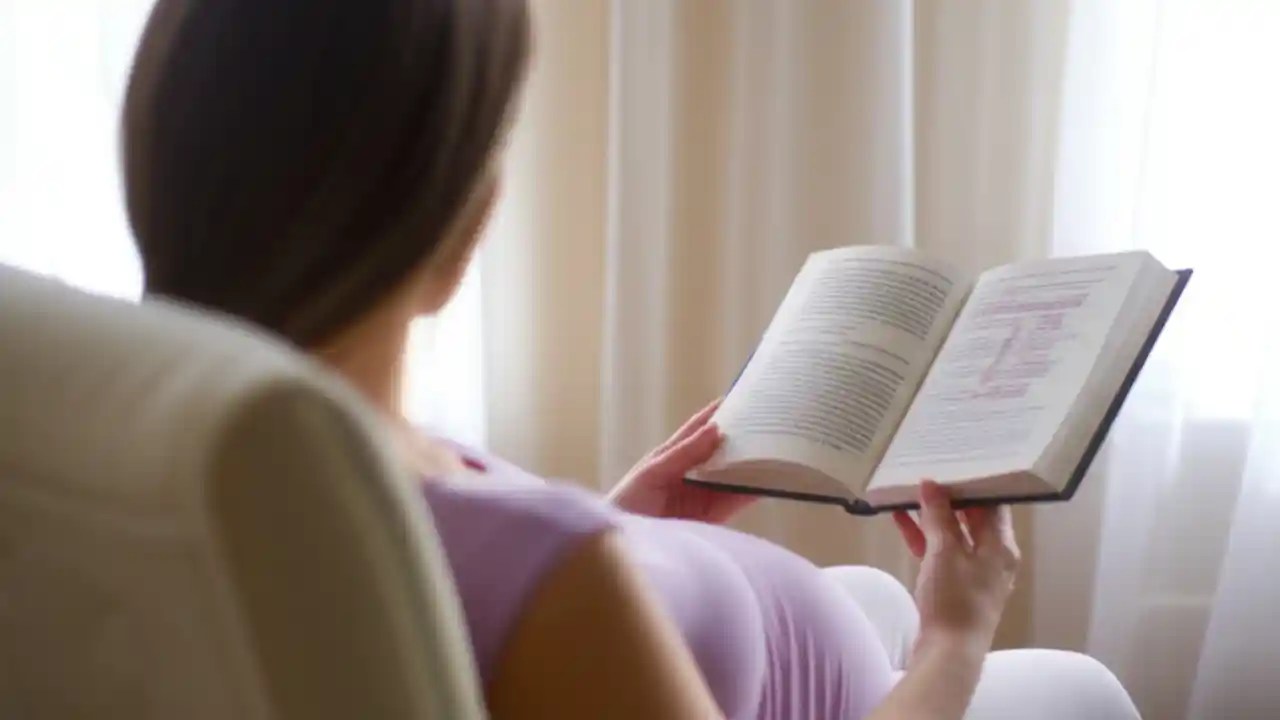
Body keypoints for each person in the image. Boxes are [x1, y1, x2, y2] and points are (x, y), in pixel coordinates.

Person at [119, 0, 1139, 718]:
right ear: (452, 226)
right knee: (1078, 690)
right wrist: (954, 641)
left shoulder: (173, 452)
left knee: (858, 598)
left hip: (722, 632)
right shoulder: (545, 581)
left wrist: (621, 527)